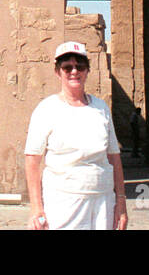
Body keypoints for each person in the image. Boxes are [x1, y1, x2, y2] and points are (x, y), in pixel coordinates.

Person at [24, 40, 128, 230]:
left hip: (102, 199)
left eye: (80, 66)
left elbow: (114, 157)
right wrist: (37, 207)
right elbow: (32, 160)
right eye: (67, 67)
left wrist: (121, 201)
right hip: (64, 200)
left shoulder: (101, 108)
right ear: (58, 72)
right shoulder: (46, 109)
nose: (74, 72)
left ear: (87, 70)